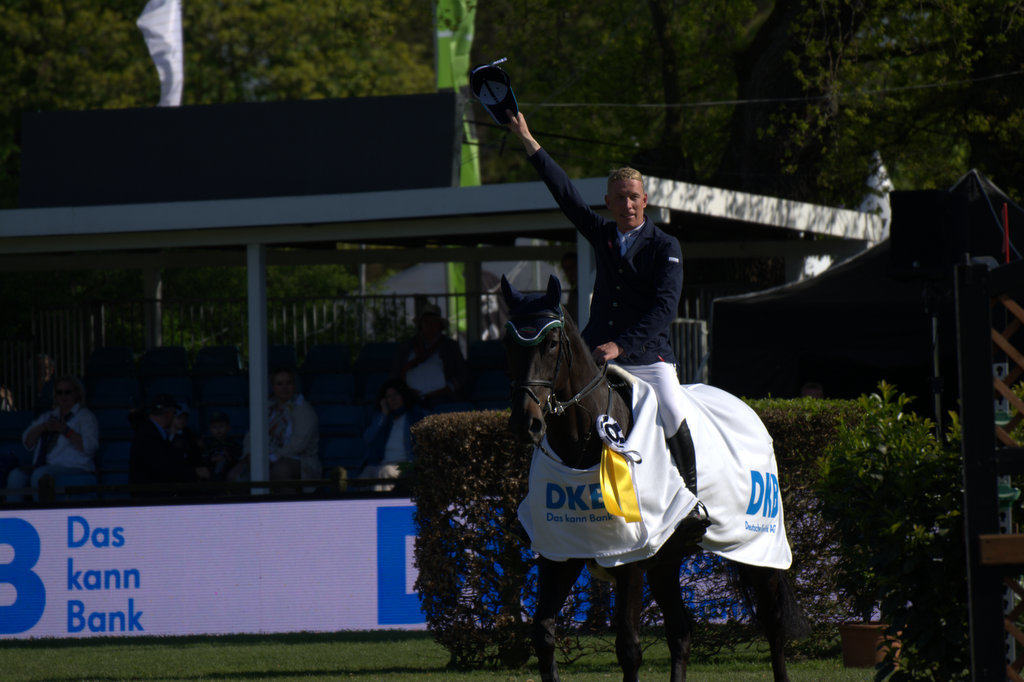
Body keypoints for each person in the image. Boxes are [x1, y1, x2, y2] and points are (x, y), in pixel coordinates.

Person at [507, 111, 688, 434]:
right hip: (594, 354)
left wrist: (621, 345)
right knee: (550, 407)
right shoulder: (602, 233)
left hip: (648, 358)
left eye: (634, 197)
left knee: (674, 413)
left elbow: (665, 309)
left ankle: (688, 482)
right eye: (620, 198)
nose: (627, 204)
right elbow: (566, 195)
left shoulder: (665, 246)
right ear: (608, 202)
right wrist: (527, 140)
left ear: (645, 200)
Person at [7, 375, 99, 502]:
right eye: (59, 392)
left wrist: (65, 430)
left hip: (75, 467)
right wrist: (43, 427)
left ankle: (43, 517)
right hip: (45, 466)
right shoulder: (49, 416)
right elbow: (27, 442)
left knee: (40, 476)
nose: (63, 396)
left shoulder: (85, 417)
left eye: (68, 392)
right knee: (15, 476)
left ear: (77, 394)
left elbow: (90, 447)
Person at [238, 367, 321, 483]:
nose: (284, 388)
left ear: (294, 385)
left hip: (299, 459)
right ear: (273, 387)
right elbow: (252, 434)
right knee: (236, 474)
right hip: (266, 457)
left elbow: (298, 444)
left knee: (280, 471)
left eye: (289, 383)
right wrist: (249, 453)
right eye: (279, 384)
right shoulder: (266, 407)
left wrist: (272, 458)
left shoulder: (304, 410)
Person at [390, 302, 469, 406]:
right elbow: (396, 373)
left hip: (443, 398)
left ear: (440, 326)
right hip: (410, 399)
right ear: (420, 325)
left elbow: (462, 374)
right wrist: (407, 391)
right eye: (426, 322)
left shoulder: (450, 346)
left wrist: (446, 389)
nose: (429, 326)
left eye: (434, 322)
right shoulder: (407, 347)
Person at [130, 394, 206, 497]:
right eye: (174, 413)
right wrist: (193, 472)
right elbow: (162, 467)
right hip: (151, 497)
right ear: (168, 413)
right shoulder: (149, 435)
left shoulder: (151, 432)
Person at [361, 378, 428, 491]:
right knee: (364, 476)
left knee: (385, 472)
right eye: (389, 396)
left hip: (406, 464)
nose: (393, 399)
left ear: (403, 396)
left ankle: (381, 507)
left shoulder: (414, 415)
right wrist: (383, 415)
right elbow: (368, 439)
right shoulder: (383, 419)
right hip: (381, 463)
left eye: (396, 394)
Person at [200, 411, 243, 482]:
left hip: (228, 474)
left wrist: (226, 457)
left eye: (221, 426)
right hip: (210, 476)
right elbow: (203, 459)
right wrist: (212, 459)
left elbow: (237, 458)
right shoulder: (207, 445)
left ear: (228, 427)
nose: (218, 430)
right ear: (210, 429)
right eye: (214, 427)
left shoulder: (233, 444)